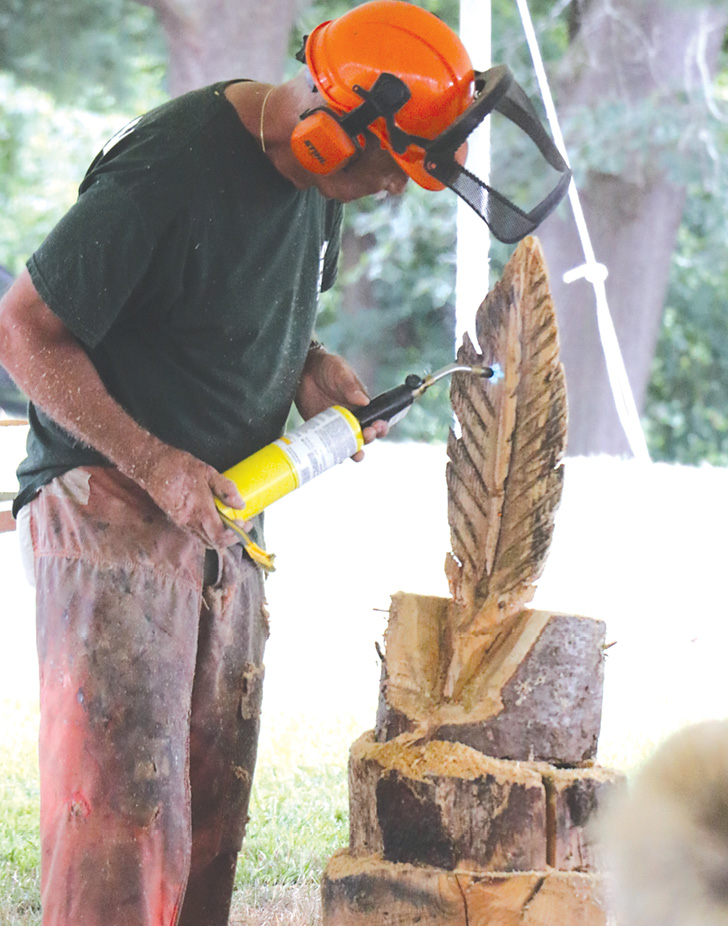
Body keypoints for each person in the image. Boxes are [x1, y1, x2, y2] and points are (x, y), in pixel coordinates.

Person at [0, 2, 489, 924]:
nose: (391, 192)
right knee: (123, 818)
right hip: (108, 499)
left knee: (211, 803)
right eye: (388, 169)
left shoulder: (315, 190)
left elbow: (229, 306)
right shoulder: (170, 169)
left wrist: (311, 369)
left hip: (218, 515)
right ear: (323, 128)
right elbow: (24, 329)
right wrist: (154, 462)